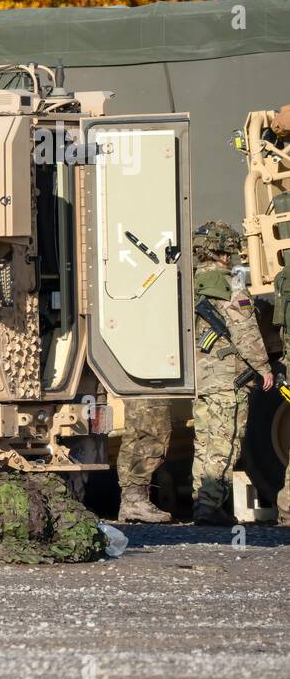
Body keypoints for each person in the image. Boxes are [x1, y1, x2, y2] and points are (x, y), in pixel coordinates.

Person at [191, 221, 273, 526]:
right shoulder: (228, 284)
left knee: (204, 440)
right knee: (225, 441)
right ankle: (210, 506)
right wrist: (263, 367)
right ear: (226, 252)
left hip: (200, 378)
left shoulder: (190, 282)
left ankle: (202, 501)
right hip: (228, 377)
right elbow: (245, 331)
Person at [115, 399, 173, 522]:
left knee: (133, 435)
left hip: (130, 383)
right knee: (156, 434)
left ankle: (130, 501)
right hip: (152, 384)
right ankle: (135, 499)